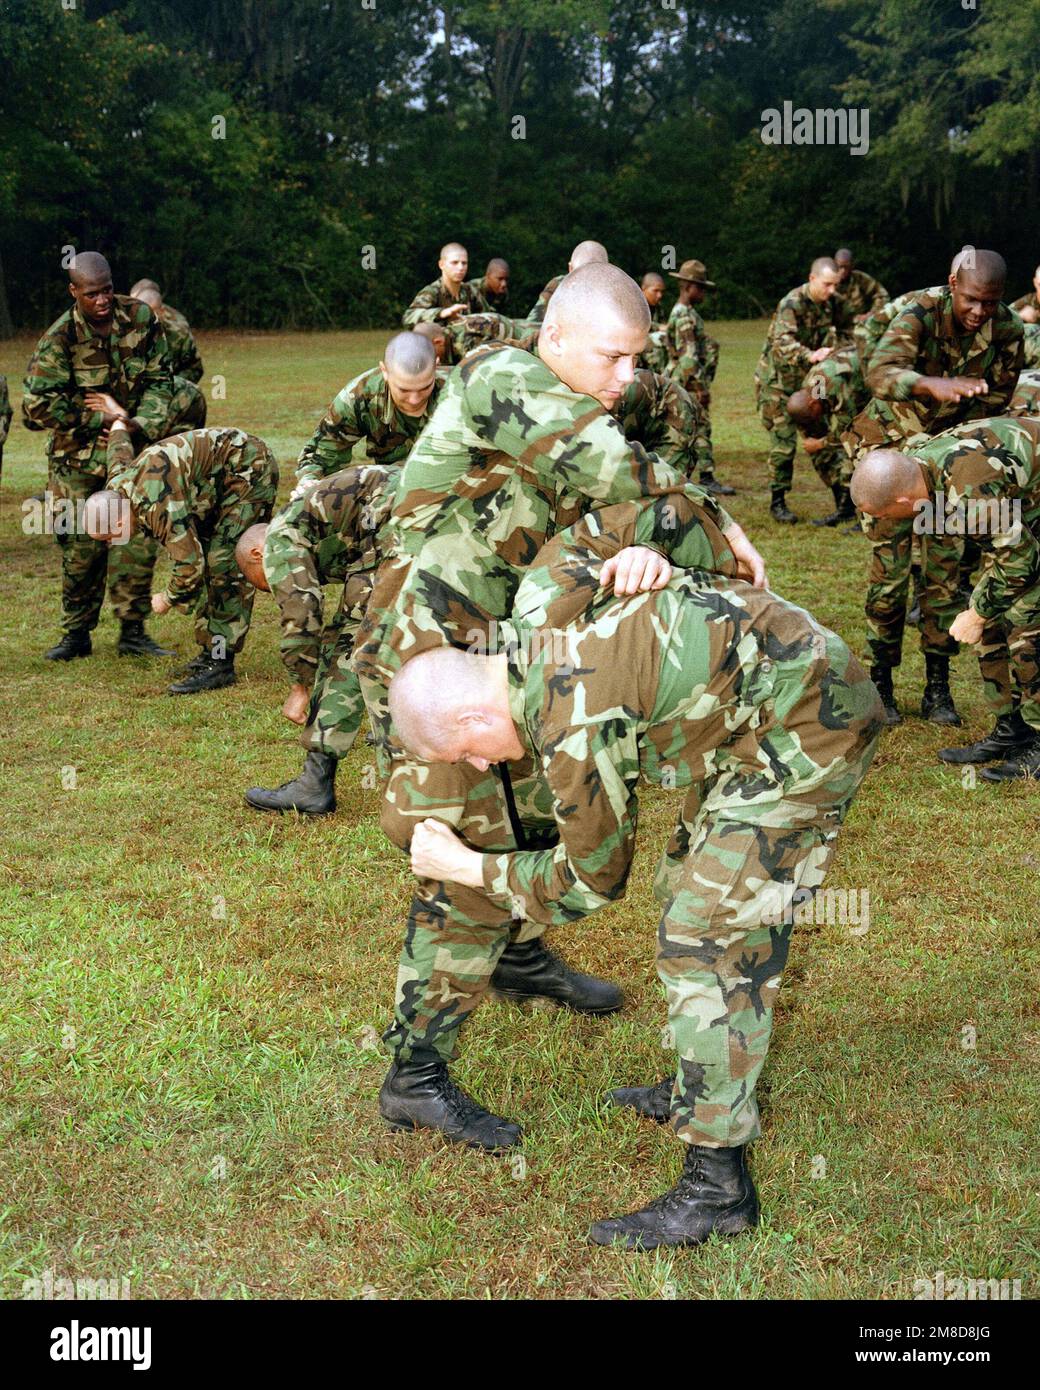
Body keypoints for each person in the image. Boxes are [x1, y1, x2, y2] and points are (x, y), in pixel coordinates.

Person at [386, 497, 882, 1248]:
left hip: (812, 722)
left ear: (470, 724)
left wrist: (470, 867)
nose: (484, 766)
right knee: (681, 887)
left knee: (708, 937)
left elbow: (589, 880)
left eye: (468, 756)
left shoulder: (571, 727)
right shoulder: (541, 596)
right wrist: (694, 551)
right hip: (754, 711)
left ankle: (718, 1187)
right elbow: (649, 511)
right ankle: (698, 1081)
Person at [352, 262, 768, 1135]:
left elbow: (618, 503)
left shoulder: (570, 408)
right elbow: (621, 474)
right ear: (555, 340)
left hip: (507, 641)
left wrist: (660, 545)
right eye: (614, 359)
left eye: (636, 361)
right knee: (460, 846)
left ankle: (519, 953)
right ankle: (415, 1074)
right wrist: (721, 530)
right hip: (432, 653)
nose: (628, 380)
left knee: (536, 805)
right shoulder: (503, 377)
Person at [843, 249, 1024, 725]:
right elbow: (878, 373)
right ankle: (881, 681)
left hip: (947, 467)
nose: (979, 312)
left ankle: (937, 686)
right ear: (951, 284)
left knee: (943, 574)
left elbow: (999, 403)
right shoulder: (922, 310)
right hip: (891, 460)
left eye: (990, 302)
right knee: (890, 573)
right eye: (970, 300)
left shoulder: (1008, 329)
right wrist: (929, 384)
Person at [21, 252, 196, 661]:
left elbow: (160, 380)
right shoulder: (59, 339)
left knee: (135, 537)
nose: (102, 300)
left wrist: (135, 424)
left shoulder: (140, 317)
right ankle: (76, 634)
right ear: (74, 291)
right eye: (91, 294)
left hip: (132, 446)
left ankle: (133, 631)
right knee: (81, 545)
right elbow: (35, 406)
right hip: (77, 457)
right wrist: (94, 415)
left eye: (106, 290)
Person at [851, 416, 1040, 780]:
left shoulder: (970, 495)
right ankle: (1011, 728)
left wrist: (978, 613)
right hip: (1020, 509)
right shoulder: (920, 464)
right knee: (989, 615)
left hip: (1026, 523)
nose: (886, 525)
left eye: (885, 516)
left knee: (1027, 623)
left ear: (905, 500)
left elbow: (1022, 562)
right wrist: (982, 611)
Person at [240, 464, 397, 815]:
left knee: (358, 648)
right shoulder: (314, 521)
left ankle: (407, 788)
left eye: (265, 583)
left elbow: (301, 615)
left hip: (406, 525)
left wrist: (300, 686)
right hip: (426, 514)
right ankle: (319, 781)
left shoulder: (281, 537)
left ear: (257, 554)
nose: (274, 589)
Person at [83, 425, 278, 693]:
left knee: (224, 564)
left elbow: (191, 565)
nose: (111, 543)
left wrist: (167, 598)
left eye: (109, 537)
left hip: (248, 467)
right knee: (214, 555)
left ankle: (220, 663)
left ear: (118, 520)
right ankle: (210, 652)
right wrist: (117, 425)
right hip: (218, 479)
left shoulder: (156, 505)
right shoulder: (118, 486)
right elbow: (118, 453)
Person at [754, 257, 847, 523]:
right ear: (812, 279)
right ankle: (778, 502)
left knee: (820, 438)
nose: (832, 290)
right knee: (784, 444)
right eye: (827, 285)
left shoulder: (829, 306)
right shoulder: (791, 304)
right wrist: (812, 355)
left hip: (808, 385)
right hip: (777, 386)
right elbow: (782, 343)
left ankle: (843, 498)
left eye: (835, 285)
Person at [294, 333, 443, 492]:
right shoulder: (359, 397)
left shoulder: (462, 392)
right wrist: (309, 481)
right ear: (384, 371)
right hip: (394, 487)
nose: (414, 399)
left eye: (425, 388)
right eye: (403, 390)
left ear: (437, 366)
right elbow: (321, 457)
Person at [662, 259, 733, 496]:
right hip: (687, 381)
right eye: (700, 288)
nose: (703, 293)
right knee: (696, 427)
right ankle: (703, 477)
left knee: (692, 428)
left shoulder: (686, 313)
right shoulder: (684, 316)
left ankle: (695, 475)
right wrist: (699, 388)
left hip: (683, 380)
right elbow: (689, 357)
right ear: (687, 287)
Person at [784, 346, 869, 526]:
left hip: (873, 386)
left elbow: (849, 429)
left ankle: (862, 514)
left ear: (813, 403)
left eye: (813, 416)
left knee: (858, 454)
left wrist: (821, 444)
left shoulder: (835, 388)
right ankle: (845, 509)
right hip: (852, 384)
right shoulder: (812, 387)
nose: (817, 419)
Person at [129, 278, 204, 383]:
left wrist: (171, 385)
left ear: (161, 311)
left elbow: (193, 367)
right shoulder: (122, 330)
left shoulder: (178, 333)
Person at [402, 243, 489, 326]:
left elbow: (488, 316)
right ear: (441, 264)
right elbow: (408, 317)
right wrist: (440, 313)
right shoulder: (432, 292)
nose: (461, 268)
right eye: (454, 263)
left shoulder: (470, 291)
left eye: (464, 263)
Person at [526, 240, 608, 322]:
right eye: (581, 274)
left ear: (570, 268)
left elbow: (529, 327)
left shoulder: (614, 289)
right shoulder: (559, 285)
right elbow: (532, 323)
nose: (586, 281)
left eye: (593, 275)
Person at [833, 248, 889, 321]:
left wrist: (872, 313)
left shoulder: (861, 279)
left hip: (859, 323)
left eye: (846, 267)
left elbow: (882, 295)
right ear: (834, 264)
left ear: (852, 265)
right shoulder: (827, 281)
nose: (843, 271)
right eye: (840, 266)